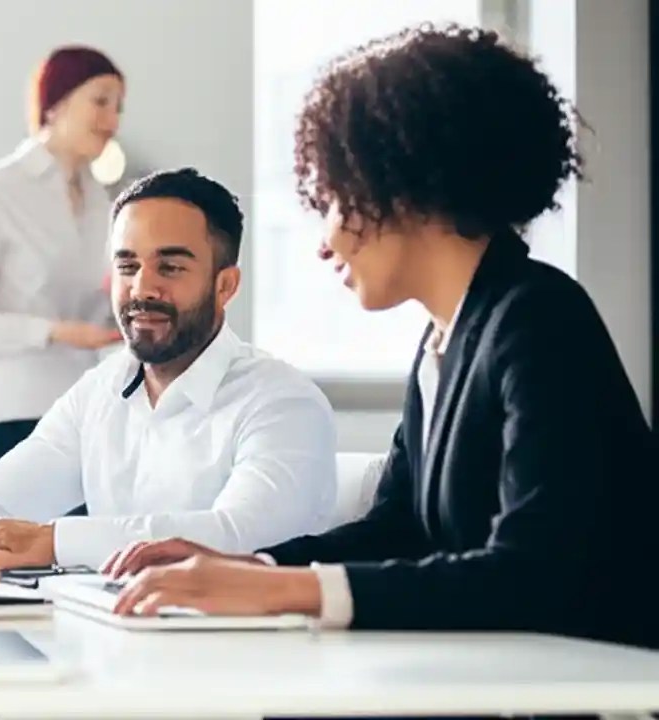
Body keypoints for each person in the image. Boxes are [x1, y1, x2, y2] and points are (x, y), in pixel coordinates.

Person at [103, 25, 659, 650]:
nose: (325, 240)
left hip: (597, 686)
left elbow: (533, 573)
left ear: (407, 187)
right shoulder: (444, 340)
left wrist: (286, 592)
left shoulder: (538, 320)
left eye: (336, 203)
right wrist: (250, 567)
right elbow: (400, 528)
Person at [0, 168, 338, 570]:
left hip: (234, 632)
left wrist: (56, 541)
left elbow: (239, 535)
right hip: (116, 624)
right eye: (127, 266)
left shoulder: (282, 401)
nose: (142, 288)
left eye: (170, 267)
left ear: (225, 286)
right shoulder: (100, 389)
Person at [0, 45, 127, 486]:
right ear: (56, 103)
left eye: (119, 107)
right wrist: (56, 332)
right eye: (100, 101)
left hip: (73, 417)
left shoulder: (101, 200)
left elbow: (96, 306)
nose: (113, 119)